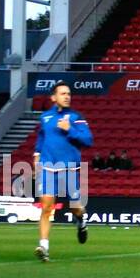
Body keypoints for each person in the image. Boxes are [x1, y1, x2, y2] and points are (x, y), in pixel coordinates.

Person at [32, 82, 94, 262]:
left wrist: (70, 130)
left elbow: (88, 140)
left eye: (68, 94)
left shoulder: (76, 117)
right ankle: (44, 247)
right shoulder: (45, 118)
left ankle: (81, 221)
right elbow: (41, 140)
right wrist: (37, 157)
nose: (67, 96)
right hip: (48, 167)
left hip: (70, 169)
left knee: (75, 208)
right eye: (63, 93)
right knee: (46, 207)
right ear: (53, 97)